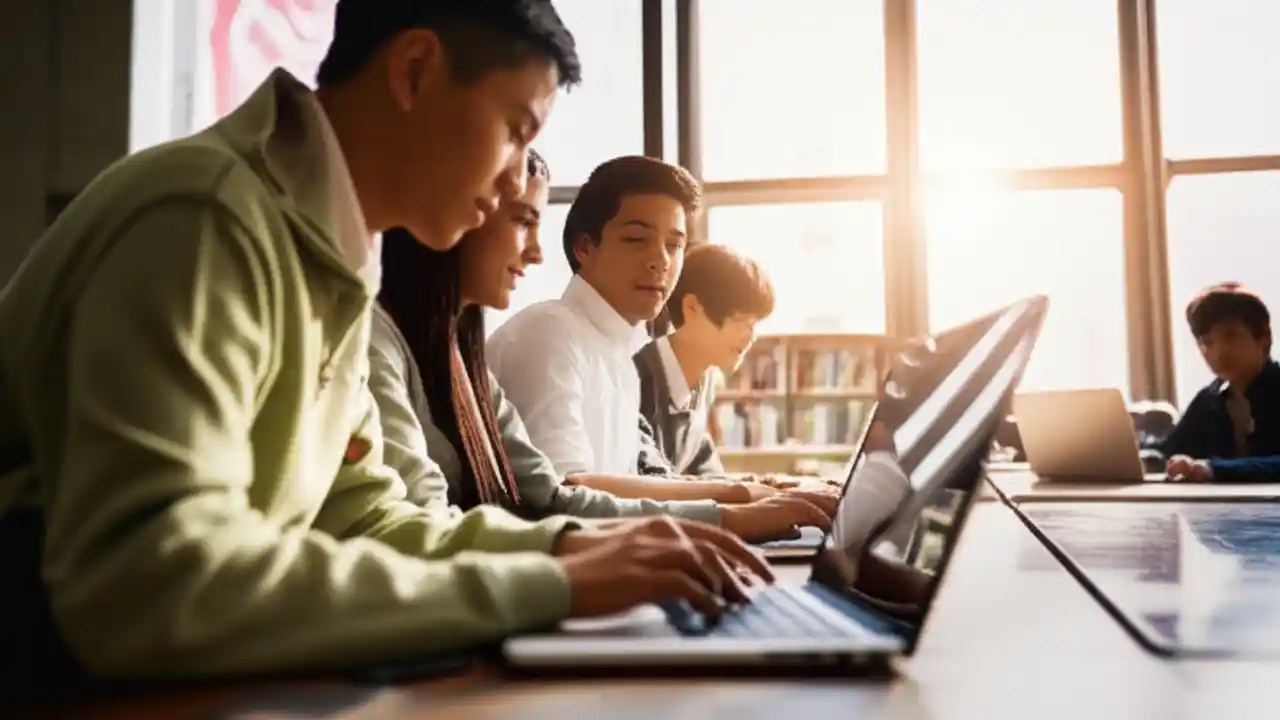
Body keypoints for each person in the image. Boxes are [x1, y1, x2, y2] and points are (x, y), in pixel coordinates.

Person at [0, 1, 767, 687]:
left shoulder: (330, 260)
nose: (512, 186)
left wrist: (569, 553)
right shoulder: (205, 219)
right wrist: (552, 587)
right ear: (416, 70)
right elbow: (151, 586)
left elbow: (369, 519)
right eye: (515, 131)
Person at [371, 150, 834, 538]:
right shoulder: (549, 332)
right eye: (637, 239)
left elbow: (560, 494)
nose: (660, 262)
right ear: (584, 247)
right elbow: (561, 495)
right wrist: (737, 505)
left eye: (675, 246)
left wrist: (758, 493)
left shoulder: (477, 359)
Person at [634, 243, 774, 476]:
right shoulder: (638, 378)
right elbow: (652, 485)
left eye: (753, 325)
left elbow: (700, 462)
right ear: (692, 307)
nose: (749, 337)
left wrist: (766, 488)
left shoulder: (704, 378)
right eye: (740, 321)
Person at [1163, 283, 1280, 483]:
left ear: (1264, 336)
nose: (1219, 352)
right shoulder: (1210, 399)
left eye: (1230, 336)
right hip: (1224, 511)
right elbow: (1171, 450)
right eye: (1207, 342)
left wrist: (1213, 469)